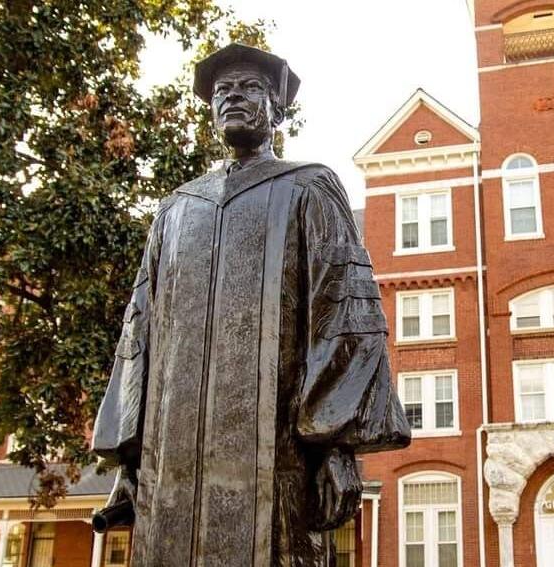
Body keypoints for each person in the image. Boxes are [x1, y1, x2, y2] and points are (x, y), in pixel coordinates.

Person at [91, 43, 411, 566]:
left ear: (277, 108)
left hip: (276, 456)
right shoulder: (176, 210)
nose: (233, 98)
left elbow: (342, 315)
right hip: (171, 460)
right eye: (222, 91)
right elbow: (141, 329)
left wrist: (336, 445)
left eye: (249, 88)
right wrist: (130, 454)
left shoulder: (309, 187)